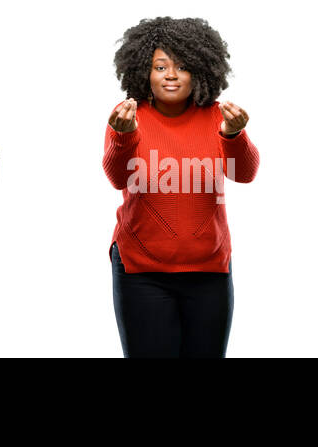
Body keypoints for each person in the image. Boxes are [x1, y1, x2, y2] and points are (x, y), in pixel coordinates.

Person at [103, 17, 259, 358]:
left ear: (200, 70)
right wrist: (123, 137)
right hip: (141, 272)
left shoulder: (218, 116)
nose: (171, 75)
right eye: (160, 66)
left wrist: (234, 135)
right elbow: (118, 178)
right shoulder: (128, 115)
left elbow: (244, 174)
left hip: (209, 270)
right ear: (144, 70)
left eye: (182, 66)